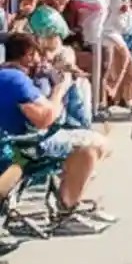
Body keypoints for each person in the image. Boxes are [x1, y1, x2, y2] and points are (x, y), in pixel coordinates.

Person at [0, 33, 112, 233]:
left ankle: (68, 195)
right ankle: (66, 210)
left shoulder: (8, 76)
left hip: (14, 144)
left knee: (81, 139)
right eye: (37, 55)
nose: (39, 60)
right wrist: (61, 87)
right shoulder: (15, 79)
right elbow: (45, 117)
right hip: (25, 147)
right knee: (95, 143)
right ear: (28, 55)